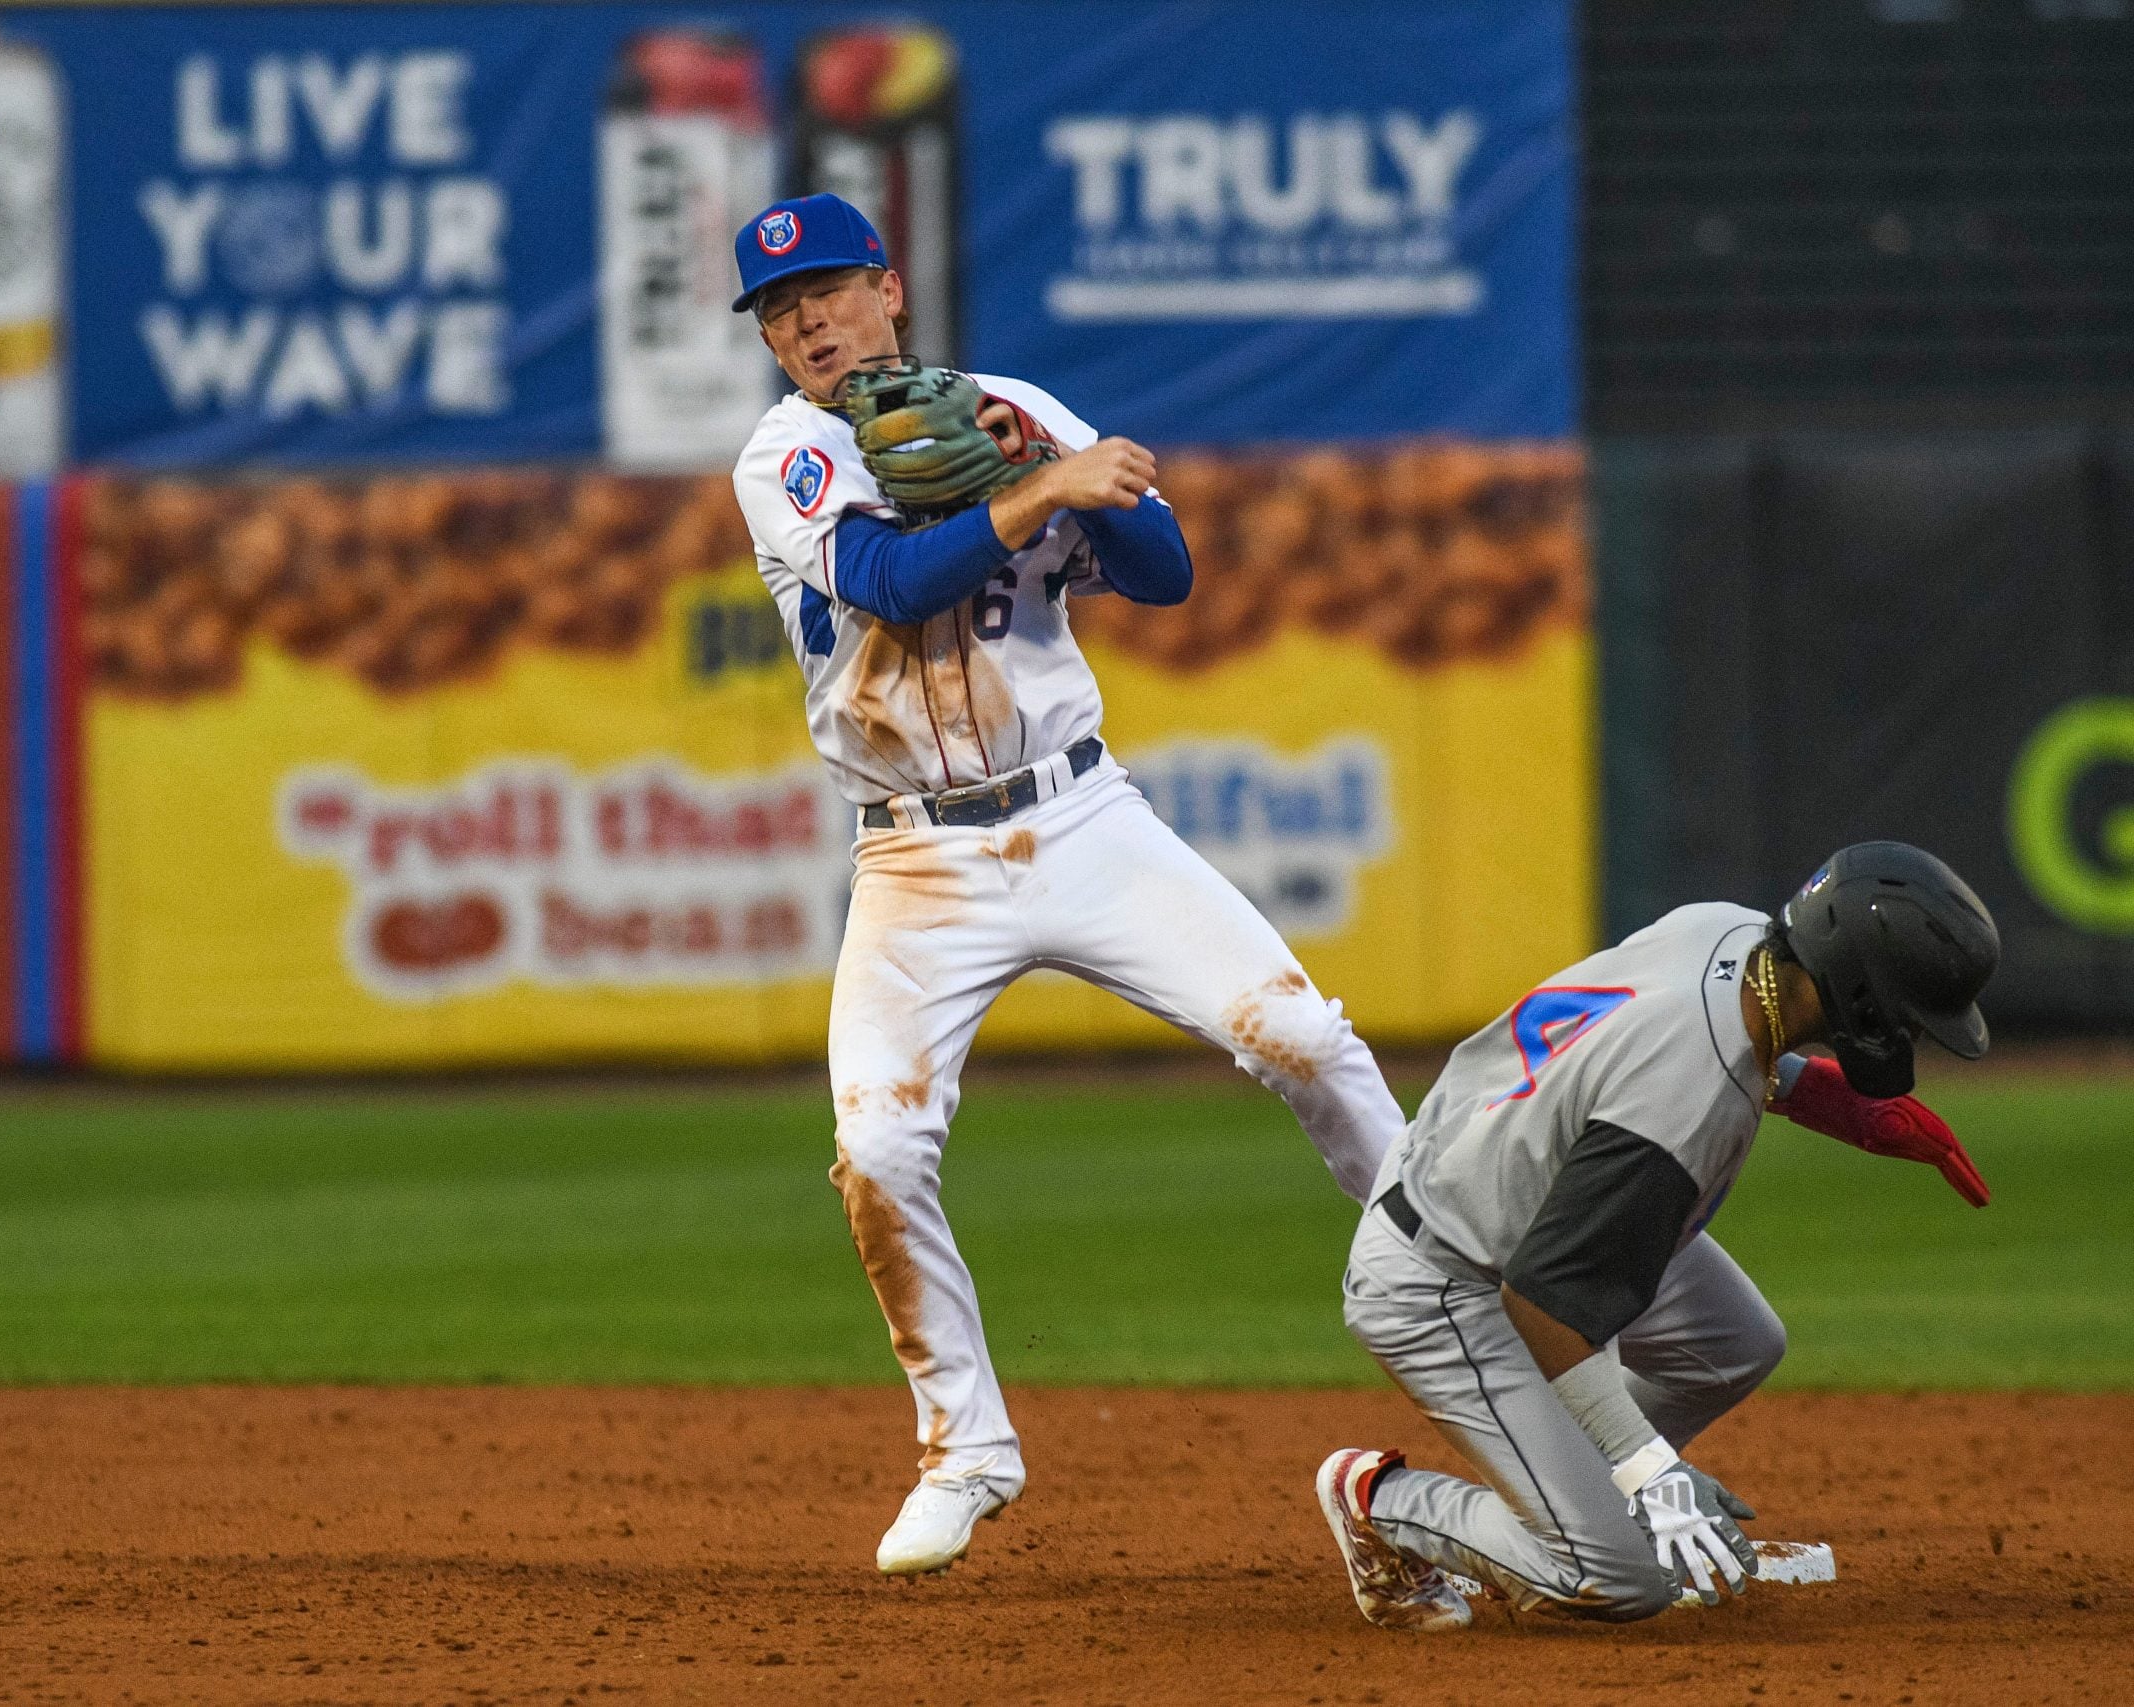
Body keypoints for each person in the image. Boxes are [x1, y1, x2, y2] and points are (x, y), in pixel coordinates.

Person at [726, 191, 1412, 1576]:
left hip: (1082, 814)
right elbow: (887, 576)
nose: (807, 322)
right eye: (779, 308)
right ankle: (967, 1448)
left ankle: (1455, 1258)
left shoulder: (1008, 407)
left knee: (1305, 1038)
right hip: (915, 857)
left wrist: (1052, 449)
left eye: (832, 289)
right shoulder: (786, 456)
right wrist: (1032, 490)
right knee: (879, 1149)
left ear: (890, 290)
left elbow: (1162, 570)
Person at [1314, 841, 1999, 1629]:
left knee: (1733, 1341)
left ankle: (1571, 1495)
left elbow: (1649, 1053)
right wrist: (1649, 1470)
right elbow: (1544, 1304)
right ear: (1865, 992)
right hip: (1446, 1275)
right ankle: (1382, 1504)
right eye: (1911, 1010)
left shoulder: (1735, 936)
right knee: (1615, 1575)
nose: (1914, 1030)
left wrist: (1833, 1101)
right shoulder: (1688, 1102)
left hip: (1516, 1179)